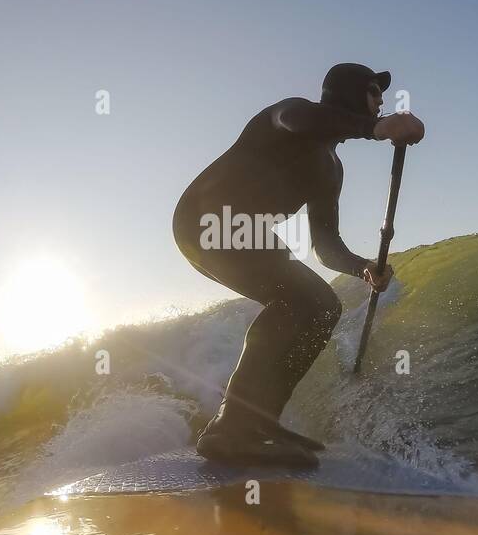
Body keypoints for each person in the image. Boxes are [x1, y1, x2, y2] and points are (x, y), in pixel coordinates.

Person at [172, 63, 425, 464]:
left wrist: (363, 268)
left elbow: (325, 246)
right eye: (374, 92)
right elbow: (300, 119)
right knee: (303, 299)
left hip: (247, 233)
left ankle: (258, 422)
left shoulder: (330, 168)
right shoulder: (291, 114)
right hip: (206, 220)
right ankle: (232, 428)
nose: (381, 102)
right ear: (346, 94)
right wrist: (375, 129)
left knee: (322, 307)